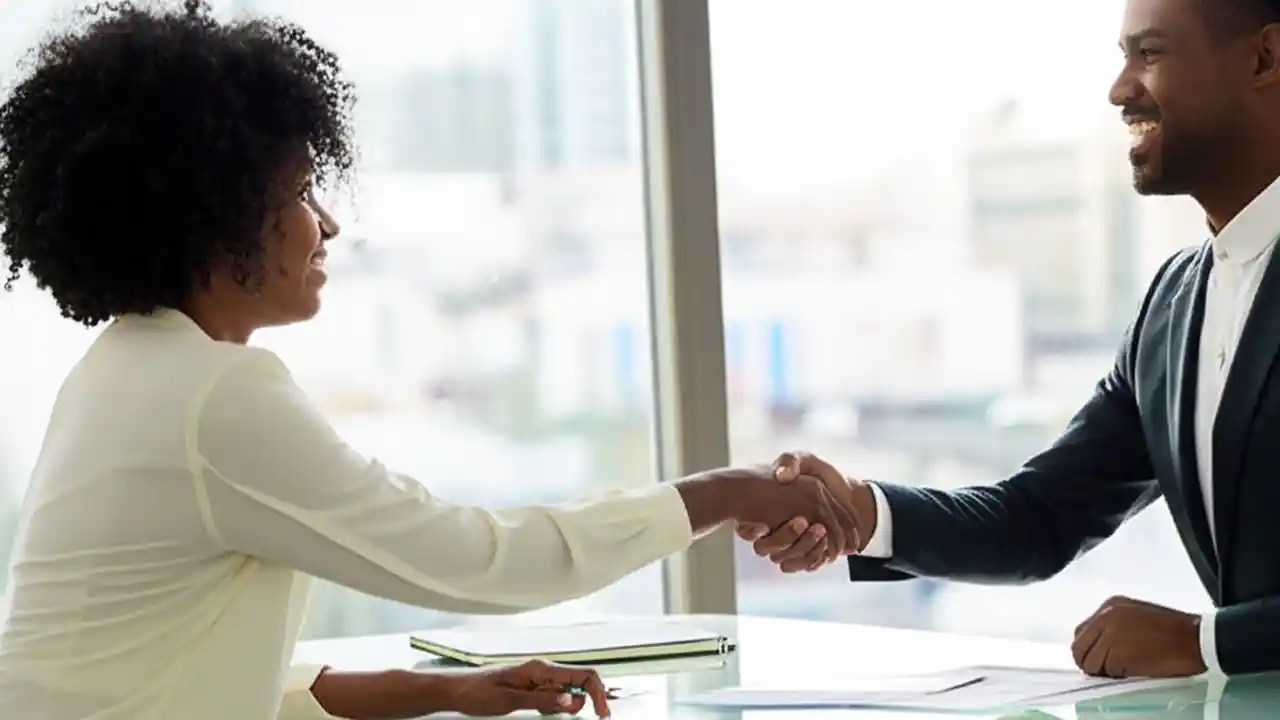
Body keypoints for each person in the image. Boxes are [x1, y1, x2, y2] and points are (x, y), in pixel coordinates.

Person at [0, 3, 859, 719]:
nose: (327, 224)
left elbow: (183, 668)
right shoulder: (215, 397)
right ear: (214, 218)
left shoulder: (122, 369)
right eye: (299, 193)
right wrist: (721, 493)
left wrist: (453, 690)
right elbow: (478, 559)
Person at [742, 0, 1280, 681]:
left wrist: (1208, 644)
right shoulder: (1173, 306)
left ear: (1264, 58)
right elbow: (1041, 517)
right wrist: (861, 512)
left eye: (1150, 54)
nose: (1119, 90)